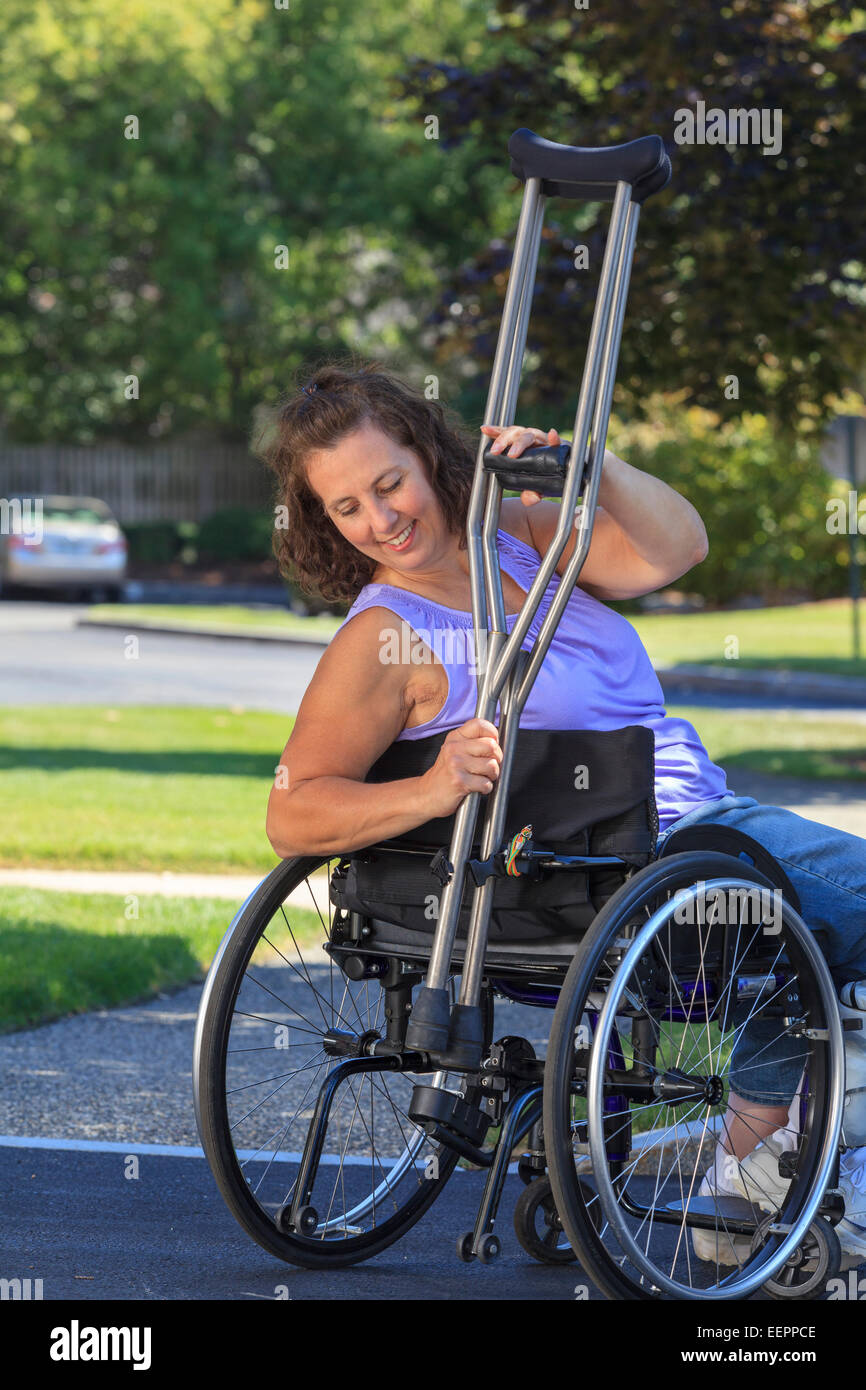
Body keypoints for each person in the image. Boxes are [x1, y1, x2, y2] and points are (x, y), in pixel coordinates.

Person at [261, 359, 866, 1266]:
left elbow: (675, 550)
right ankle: (770, 1152)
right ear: (325, 521)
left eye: (390, 484)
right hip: (639, 855)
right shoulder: (381, 637)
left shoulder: (517, 535)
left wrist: (595, 467)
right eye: (349, 508)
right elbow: (294, 813)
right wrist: (433, 786)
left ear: (428, 458)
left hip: (700, 823)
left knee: (813, 944)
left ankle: (761, 1150)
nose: (381, 519)